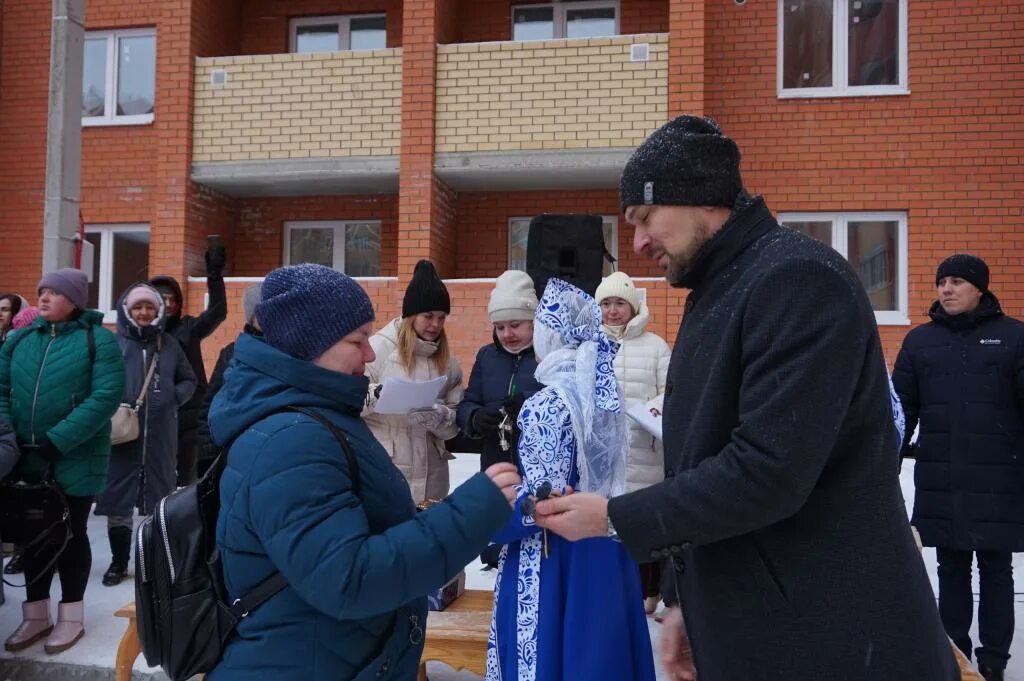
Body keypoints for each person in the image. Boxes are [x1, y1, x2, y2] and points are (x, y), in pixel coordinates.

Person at [533, 115, 960, 681]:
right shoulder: (722, 289)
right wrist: (686, 598)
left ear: (700, 197)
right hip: (758, 624)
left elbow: (767, 471)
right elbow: (702, 458)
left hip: (833, 639)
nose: (637, 242)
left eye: (644, 217)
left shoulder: (797, 279)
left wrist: (614, 517)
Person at [206, 264, 521, 680]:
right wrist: (471, 513)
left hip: (330, 657)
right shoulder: (291, 440)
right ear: (308, 345)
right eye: (357, 341)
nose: (370, 355)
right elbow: (348, 579)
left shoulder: (314, 413)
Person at [486, 277, 655, 681]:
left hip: (556, 555)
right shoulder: (603, 393)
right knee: (600, 654)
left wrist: (494, 514)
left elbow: (544, 499)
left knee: (550, 654)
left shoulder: (546, 404)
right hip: (606, 543)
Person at [893, 254, 1024, 681]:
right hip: (942, 476)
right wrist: (885, 462)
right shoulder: (920, 342)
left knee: (996, 570)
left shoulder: (1013, 338)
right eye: (941, 282)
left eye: (956, 282)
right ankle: (957, 659)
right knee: (950, 570)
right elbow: (900, 413)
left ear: (979, 288)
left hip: (999, 478)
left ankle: (994, 662)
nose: (946, 289)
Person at [0, 268, 124, 654]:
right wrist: (8, 436)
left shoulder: (98, 340)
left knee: (70, 535)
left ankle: (71, 618)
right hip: (24, 456)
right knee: (31, 535)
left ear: (74, 300)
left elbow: (106, 396)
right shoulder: (19, 340)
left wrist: (58, 441)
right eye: (42, 291)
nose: (44, 297)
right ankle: (36, 615)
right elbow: (0, 389)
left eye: (54, 292)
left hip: (77, 457)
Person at [94, 283, 197, 586]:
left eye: (149, 307)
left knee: (159, 499)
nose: (143, 312)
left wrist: (172, 397)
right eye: (137, 307)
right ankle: (119, 561)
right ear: (127, 310)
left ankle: (154, 561)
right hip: (122, 435)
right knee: (119, 499)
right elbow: (97, 381)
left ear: (158, 311)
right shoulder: (114, 344)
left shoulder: (169, 345)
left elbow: (189, 380)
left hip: (161, 435)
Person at [456, 270, 544, 568]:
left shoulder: (548, 355)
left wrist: (528, 406)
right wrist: (475, 418)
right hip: (496, 464)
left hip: (536, 467)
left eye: (515, 325)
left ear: (534, 322)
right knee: (500, 546)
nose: (507, 334)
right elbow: (468, 401)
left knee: (533, 541)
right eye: (500, 326)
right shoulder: (487, 356)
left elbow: (564, 401)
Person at [595, 270, 670, 615]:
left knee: (644, 526)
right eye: (606, 303)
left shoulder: (655, 346)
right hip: (603, 454)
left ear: (633, 307)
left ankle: (650, 592)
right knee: (606, 526)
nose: (612, 311)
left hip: (644, 450)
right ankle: (614, 593)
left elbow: (671, 391)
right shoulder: (590, 345)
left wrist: (651, 411)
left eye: (619, 303)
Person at [364, 259, 462, 504]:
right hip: (387, 472)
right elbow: (349, 401)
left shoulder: (448, 361)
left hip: (433, 478)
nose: (435, 324)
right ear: (411, 314)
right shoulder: (377, 350)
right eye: (428, 316)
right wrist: (379, 395)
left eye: (441, 317)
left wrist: (441, 418)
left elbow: (455, 423)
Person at [150, 241, 227, 486]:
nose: (168, 304)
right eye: (162, 299)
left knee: (189, 483)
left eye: (173, 299)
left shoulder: (188, 328)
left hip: (189, 418)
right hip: (156, 417)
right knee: (157, 481)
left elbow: (217, 312)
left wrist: (214, 274)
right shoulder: (140, 336)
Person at [196, 282, 262, 478]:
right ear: (251, 318)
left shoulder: (293, 352)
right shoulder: (232, 354)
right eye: (263, 312)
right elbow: (210, 404)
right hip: (237, 448)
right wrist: (207, 452)